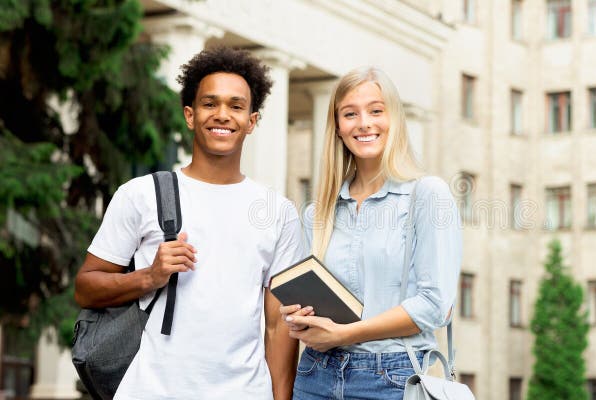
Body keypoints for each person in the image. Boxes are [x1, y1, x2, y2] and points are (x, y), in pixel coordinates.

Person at [74, 47, 305, 400]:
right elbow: (85, 288)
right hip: (150, 391)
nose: (222, 115)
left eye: (236, 106)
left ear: (252, 121)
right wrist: (148, 277)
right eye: (210, 104)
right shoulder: (141, 195)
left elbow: (278, 326)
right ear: (190, 115)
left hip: (244, 392)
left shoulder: (278, 211)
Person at [279, 67, 462, 399]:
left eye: (376, 111)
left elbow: (435, 305)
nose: (363, 123)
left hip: (392, 379)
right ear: (337, 126)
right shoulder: (318, 213)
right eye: (350, 113)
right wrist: (299, 317)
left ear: (394, 119)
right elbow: (316, 302)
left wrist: (345, 334)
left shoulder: (427, 196)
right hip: (315, 375)